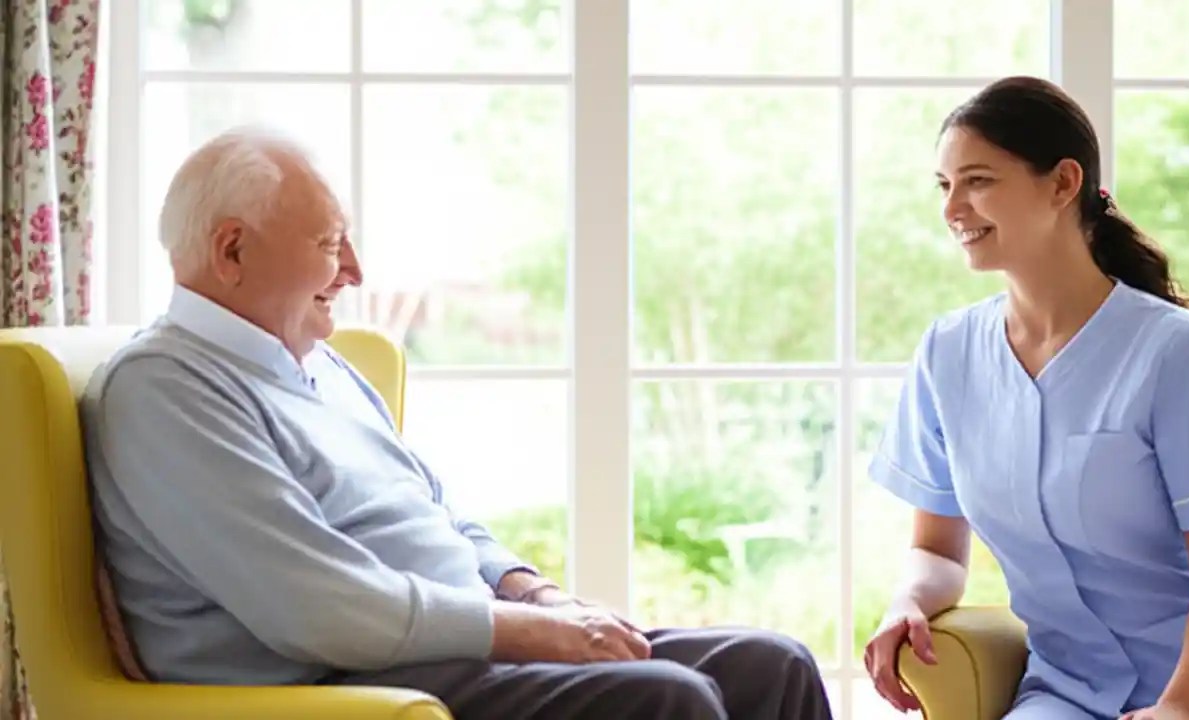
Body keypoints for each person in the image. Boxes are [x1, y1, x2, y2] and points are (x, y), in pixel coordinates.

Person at [80, 127, 834, 720]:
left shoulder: (321, 366)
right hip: (341, 684)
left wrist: (534, 592)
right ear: (232, 250)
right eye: (329, 244)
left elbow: (438, 512)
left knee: (773, 665)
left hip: (458, 650)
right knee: (669, 700)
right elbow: (322, 609)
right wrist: (538, 633)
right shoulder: (165, 390)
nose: (354, 272)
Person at [862, 76, 1189, 720]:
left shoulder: (1176, 351)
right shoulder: (947, 353)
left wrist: (1183, 706)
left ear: (1062, 183)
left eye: (978, 181)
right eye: (945, 186)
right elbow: (938, 549)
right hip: (1068, 691)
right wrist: (910, 600)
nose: (953, 209)